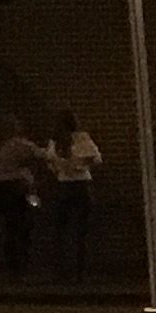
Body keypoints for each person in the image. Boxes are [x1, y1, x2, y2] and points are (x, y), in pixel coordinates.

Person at [0, 113, 46, 279]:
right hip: (16, 189)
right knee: (22, 224)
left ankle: (13, 264)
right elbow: (42, 155)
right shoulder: (17, 145)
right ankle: (20, 264)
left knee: (10, 225)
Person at [44, 112, 102, 280]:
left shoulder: (59, 141)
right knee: (75, 229)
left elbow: (49, 160)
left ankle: (69, 270)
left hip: (68, 184)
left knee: (66, 228)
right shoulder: (78, 139)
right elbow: (96, 159)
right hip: (78, 183)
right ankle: (74, 270)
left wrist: (62, 167)